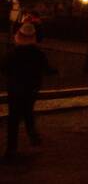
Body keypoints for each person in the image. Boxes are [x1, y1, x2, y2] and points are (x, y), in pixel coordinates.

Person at [2, 21, 56, 160]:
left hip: (15, 89)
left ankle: (11, 149)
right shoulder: (38, 54)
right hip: (31, 89)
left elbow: (4, 68)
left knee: (14, 118)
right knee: (27, 111)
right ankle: (33, 137)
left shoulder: (13, 53)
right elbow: (47, 69)